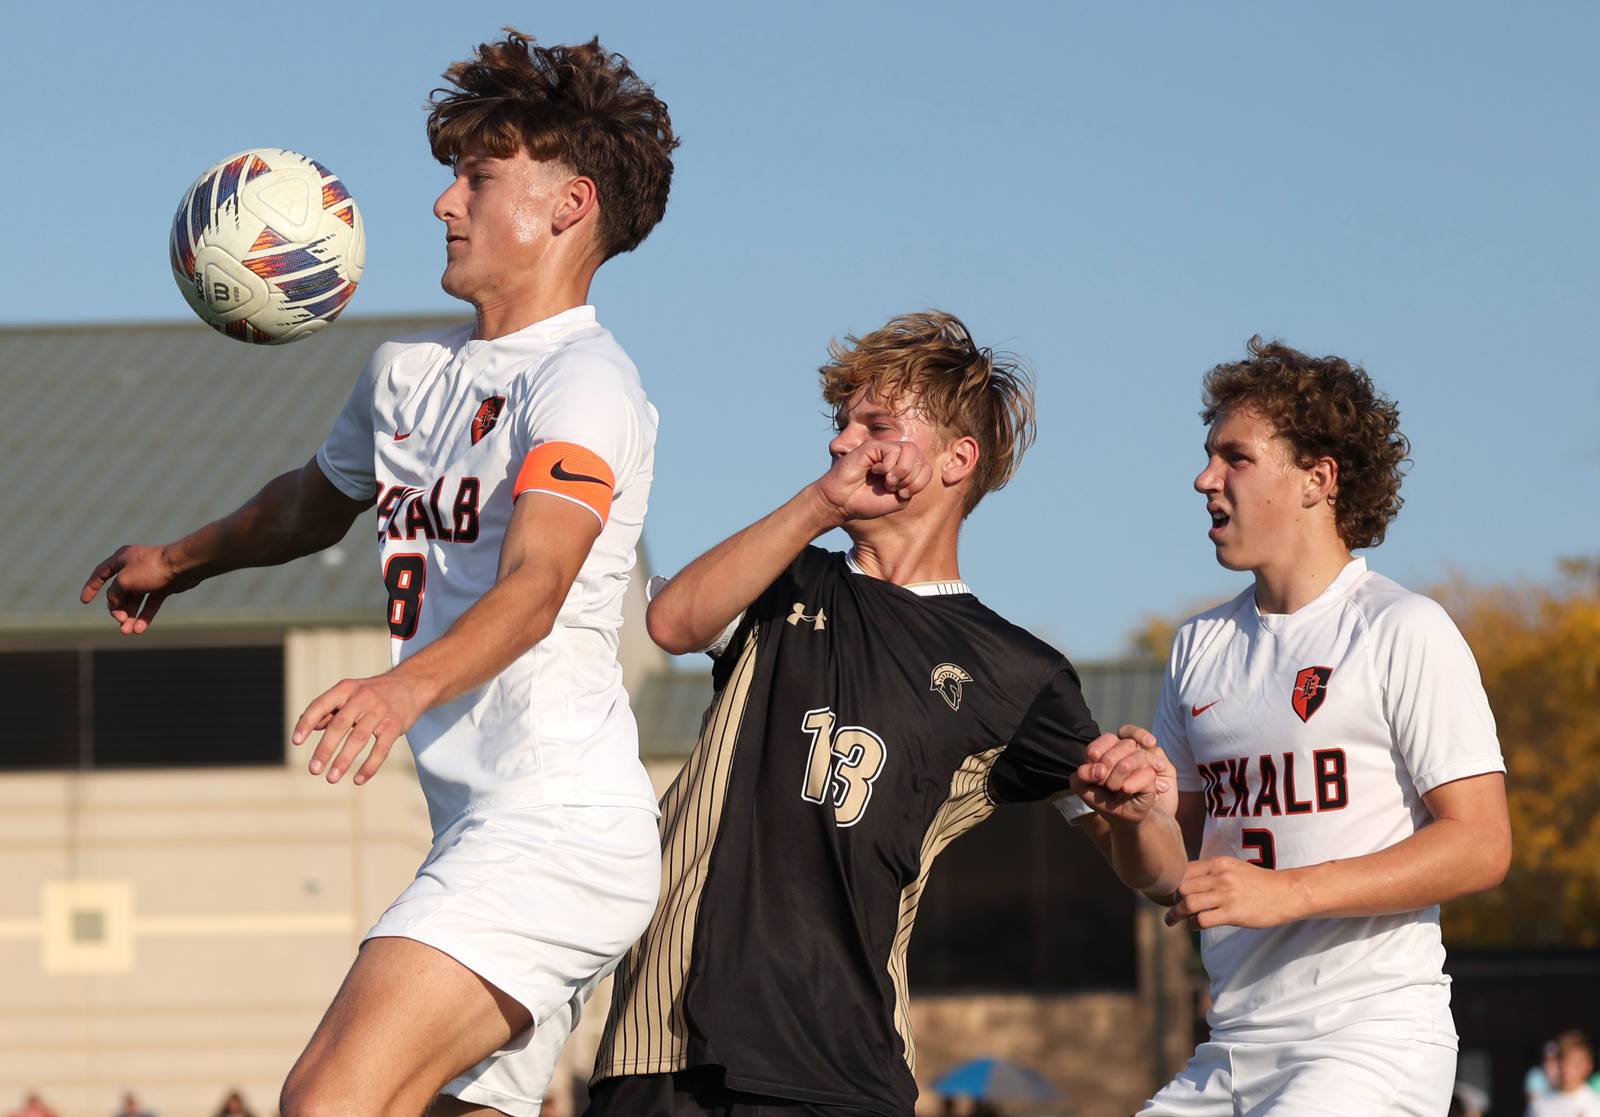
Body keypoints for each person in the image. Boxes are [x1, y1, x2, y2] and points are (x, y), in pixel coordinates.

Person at [79, 28, 678, 1117]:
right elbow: (312, 501)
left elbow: (537, 584)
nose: (446, 203)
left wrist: (403, 687)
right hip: (482, 824)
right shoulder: (408, 374)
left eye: (479, 179)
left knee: (327, 1100)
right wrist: (179, 559)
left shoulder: (584, 384)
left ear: (569, 205)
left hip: (554, 829)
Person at [584, 311, 1184, 1117]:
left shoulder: (1018, 672)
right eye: (840, 426)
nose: (842, 444)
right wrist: (815, 506)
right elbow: (672, 623)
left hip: (841, 1069)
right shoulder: (787, 577)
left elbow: (1160, 873)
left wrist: (1143, 812)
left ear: (955, 459)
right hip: (662, 1046)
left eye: (875, 426)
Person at [1138, 338, 1511, 1115]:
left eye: (1235, 457)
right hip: (1230, 1048)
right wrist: (1120, 812)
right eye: (1209, 457)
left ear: (1319, 478)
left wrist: (1288, 892)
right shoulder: (1196, 646)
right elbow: (1170, 877)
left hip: (1368, 1043)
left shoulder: (1403, 627)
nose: (1205, 478)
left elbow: (1482, 842)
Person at [1528, 1032, 1600, 1117]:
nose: (1568, 1069)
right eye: (1565, 1061)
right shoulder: (1538, 1105)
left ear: (1589, 1065)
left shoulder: (1596, 1105)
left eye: (1576, 1063)